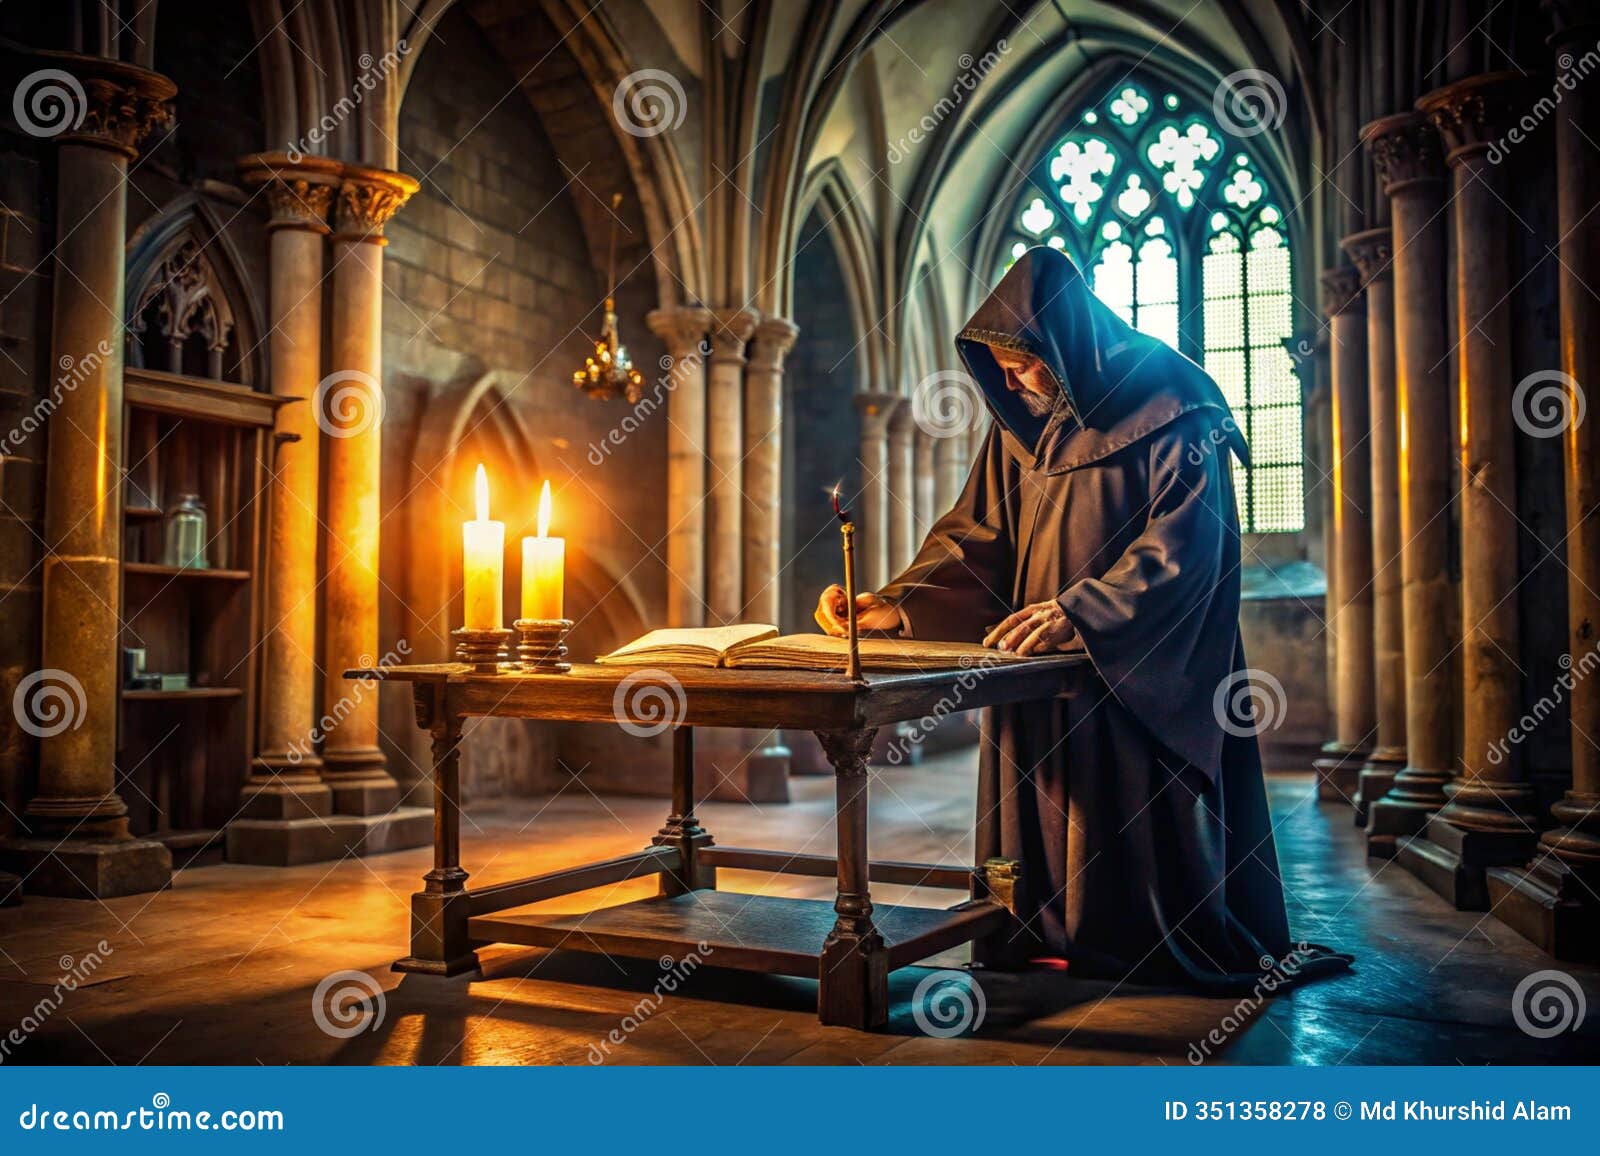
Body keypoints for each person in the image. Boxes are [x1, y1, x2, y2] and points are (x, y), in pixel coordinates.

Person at [814, 246, 1349, 991]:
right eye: (1001, 366)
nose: (1011, 381)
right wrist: (898, 603)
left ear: (1067, 343)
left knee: (1125, 814)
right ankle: (1039, 929)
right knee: (1040, 809)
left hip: (1134, 662)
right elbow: (975, 538)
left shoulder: (1175, 400)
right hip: (1033, 663)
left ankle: (1127, 939)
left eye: (1023, 363)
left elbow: (1189, 545)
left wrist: (1085, 612)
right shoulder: (1021, 426)